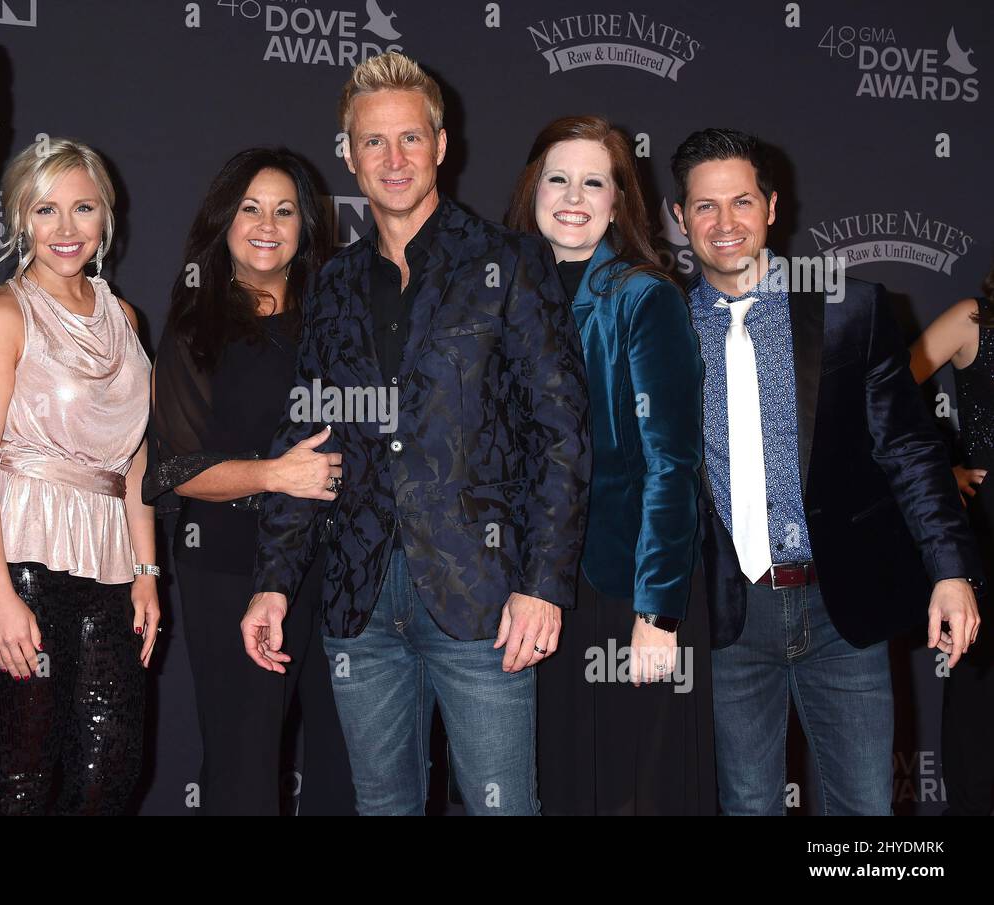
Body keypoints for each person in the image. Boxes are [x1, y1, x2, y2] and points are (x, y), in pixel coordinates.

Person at [241, 52, 590, 816]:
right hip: (361, 599)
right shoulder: (332, 280)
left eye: (409, 139)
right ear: (350, 155)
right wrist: (273, 578)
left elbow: (562, 429)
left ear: (441, 144)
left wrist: (542, 583)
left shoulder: (509, 262)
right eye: (373, 142)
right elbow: (311, 432)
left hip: (484, 594)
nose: (393, 159)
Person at [671, 127, 982, 815]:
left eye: (742, 202)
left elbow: (909, 450)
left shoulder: (848, 307)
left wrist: (951, 571)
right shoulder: (662, 325)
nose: (726, 224)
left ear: (773, 207)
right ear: (679, 217)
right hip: (727, 615)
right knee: (747, 805)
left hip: (842, 609)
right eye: (705, 207)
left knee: (864, 814)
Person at [0, 138, 157, 815]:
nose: (66, 230)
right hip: (17, 560)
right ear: (19, 221)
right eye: (46, 210)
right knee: (23, 781)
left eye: (83, 208)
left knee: (107, 778)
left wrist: (147, 570)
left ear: (106, 216)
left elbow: (135, 459)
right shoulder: (1, 316)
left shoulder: (125, 319)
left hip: (110, 563)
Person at [505, 115, 713, 815]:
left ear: (619, 198)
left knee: (634, 791)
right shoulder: (500, 295)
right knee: (555, 782)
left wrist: (657, 611)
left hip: (622, 584)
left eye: (594, 181)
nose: (573, 196)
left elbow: (673, 463)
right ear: (532, 189)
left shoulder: (644, 297)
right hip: (528, 585)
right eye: (557, 178)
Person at [144, 147, 353, 816]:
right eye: (250, 208)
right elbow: (172, 469)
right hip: (228, 565)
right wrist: (277, 474)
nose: (268, 224)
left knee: (343, 762)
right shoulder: (196, 323)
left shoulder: (334, 319)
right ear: (224, 221)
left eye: (285, 210)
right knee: (243, 767)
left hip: (337, 568)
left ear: (306, 226)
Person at [908, 265, 994, 816]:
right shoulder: (973, 319)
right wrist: (945, 467)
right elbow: (887, 387)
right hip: (988, 531)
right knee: (980, 690)